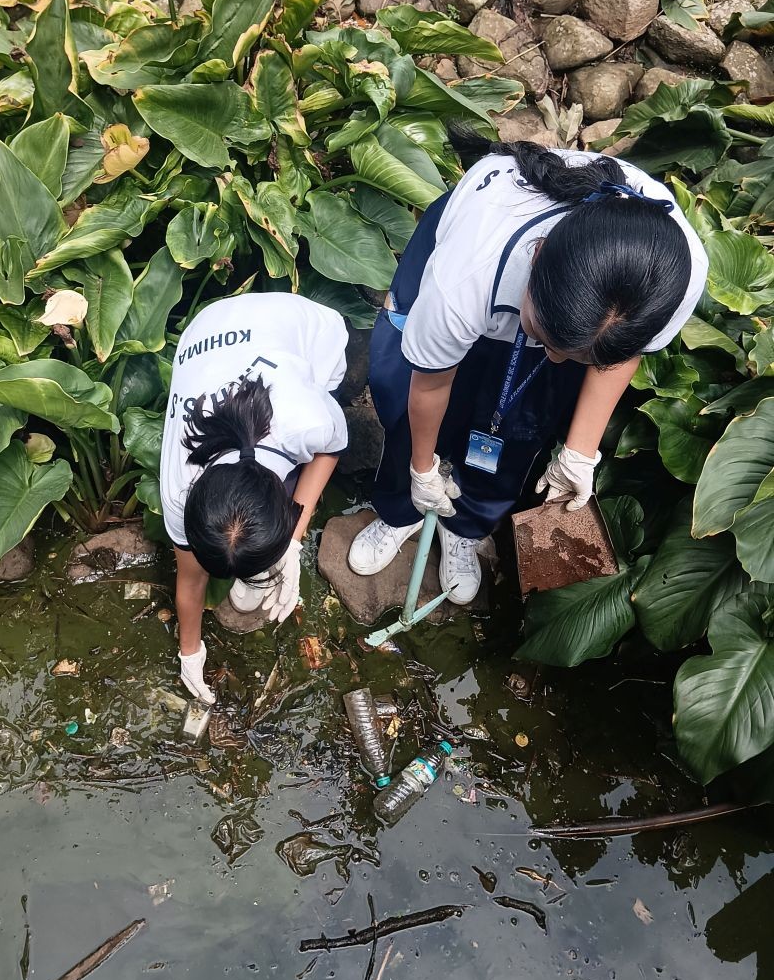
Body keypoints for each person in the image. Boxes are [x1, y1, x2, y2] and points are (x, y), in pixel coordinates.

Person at [348, 136, 708, 603]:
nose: (556, 360)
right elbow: (430, 383)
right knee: (403, 401)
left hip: (571, 305)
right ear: (536, 255)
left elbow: (617, 352)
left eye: (574, 356)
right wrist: (422, 468)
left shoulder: (674, 279)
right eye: (547, 339)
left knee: (522, 423)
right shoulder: (464, 275)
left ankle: (466, 526)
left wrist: (580, 453)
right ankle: (400, 512)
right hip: (479, 272)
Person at [162, 292, 348, 704]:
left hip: (306, 330)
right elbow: (191, 578)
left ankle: (265, 557)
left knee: (317, 429)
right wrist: (189, 652)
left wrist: (293, 542)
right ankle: (257, 563)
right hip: (206, 327)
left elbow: (329, 450)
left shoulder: (308, 419)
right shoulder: (179, 481)